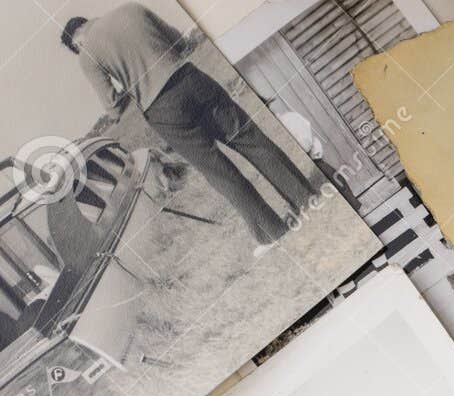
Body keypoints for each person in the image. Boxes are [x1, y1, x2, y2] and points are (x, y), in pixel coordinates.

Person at [62, 5, 320, 249]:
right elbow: (180, 41)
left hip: (163, 109)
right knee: (251, 139)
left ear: (76, 42)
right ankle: (306, 197)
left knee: (219, 170)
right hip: (192, 79)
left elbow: (113, 107)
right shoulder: (132, 9)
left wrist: (131, 82)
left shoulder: (87, 55)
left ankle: (271, 232)